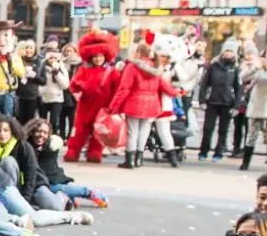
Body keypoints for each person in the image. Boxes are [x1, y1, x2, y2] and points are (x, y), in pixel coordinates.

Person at [110, 41, 180, 170]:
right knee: (144, 132)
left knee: (132, 132)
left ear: (138, 53)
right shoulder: (157, 67)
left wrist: (114, 106)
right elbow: (164, 85)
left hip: (134, 102)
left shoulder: (132, 67)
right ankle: (138, 159)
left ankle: (129, 160)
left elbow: (124, 88)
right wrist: (176, 92)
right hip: (152, 104)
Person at [24, 118, 108, 211]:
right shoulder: (26, 146)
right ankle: (69, 197)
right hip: (42, 181)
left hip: (53, 180)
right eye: (39, 131)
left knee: (51, 188)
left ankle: (88, 192)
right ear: (32, 132)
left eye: (45, 133)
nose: (41, 135)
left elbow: (45, 174)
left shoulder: (50, 147)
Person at [65, 31, 119, 163]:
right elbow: (73, 85)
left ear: (105, 56)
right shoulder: (83, 70)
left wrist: (114, 106)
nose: (98, 59)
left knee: (99, 131)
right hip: (85, 106)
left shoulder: (112, 72)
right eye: (95, 56)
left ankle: (95, 152)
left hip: (102, 107)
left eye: (100, 56)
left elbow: (117, 89)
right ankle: (73, 150)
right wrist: (82, 88)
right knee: (79, 131)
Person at [197, 39, 241, 161]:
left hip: (227, 102)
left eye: (231, 52)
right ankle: (203, 151)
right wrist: (202, 100)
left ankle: (218, 152)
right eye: (226, 51)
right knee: (208, 128)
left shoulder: (235, 69)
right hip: (212, 101)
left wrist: (236, 105)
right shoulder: (213, 66)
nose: (228, 54)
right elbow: (204, 84)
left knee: (223, 130)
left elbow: (238, 88)